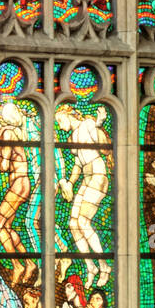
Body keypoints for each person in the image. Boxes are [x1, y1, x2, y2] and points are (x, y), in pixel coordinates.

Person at [55, 104, 111, 287]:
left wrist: (100, 123)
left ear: (67, 114)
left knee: (83, 222)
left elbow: (102, 144)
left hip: (97, 174)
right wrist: (70, 183)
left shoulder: (87, 124)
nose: (59, 125)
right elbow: (78, 164)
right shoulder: (73, 137)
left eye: (59, 120)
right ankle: (90, 267)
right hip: (86, 178)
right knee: (73, 224)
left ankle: (104, 266)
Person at [0, 102, 37, 285]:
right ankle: (29, 263)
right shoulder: (2, 136)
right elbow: (1, 162)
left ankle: (17, 265)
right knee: (6, 227)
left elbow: (2, 165)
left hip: (20, 183)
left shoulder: (6, 133)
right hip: (19, 183)